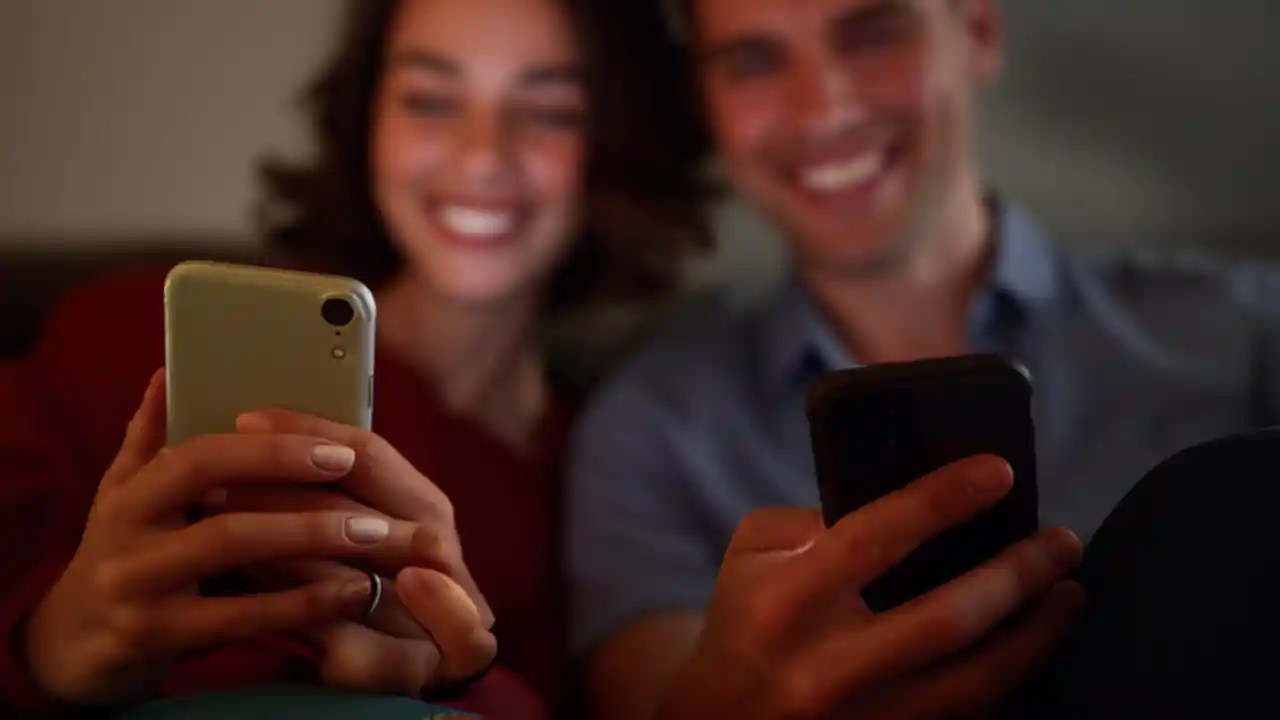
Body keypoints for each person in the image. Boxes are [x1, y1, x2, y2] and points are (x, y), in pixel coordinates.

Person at [567, 0, 1280, 717]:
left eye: (873, 33)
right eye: (753, 62)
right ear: (706, 101)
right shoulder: (651, 427)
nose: (823, 109)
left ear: (978, 33)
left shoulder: (1246, 328)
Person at [0, 0, 708, 717]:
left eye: (551, 111)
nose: (481, 155)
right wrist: (47, 650)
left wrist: (457, 680)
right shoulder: (128, 332)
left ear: (619, 140)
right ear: (369, 121)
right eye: (430, 100)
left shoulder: (615, 467)